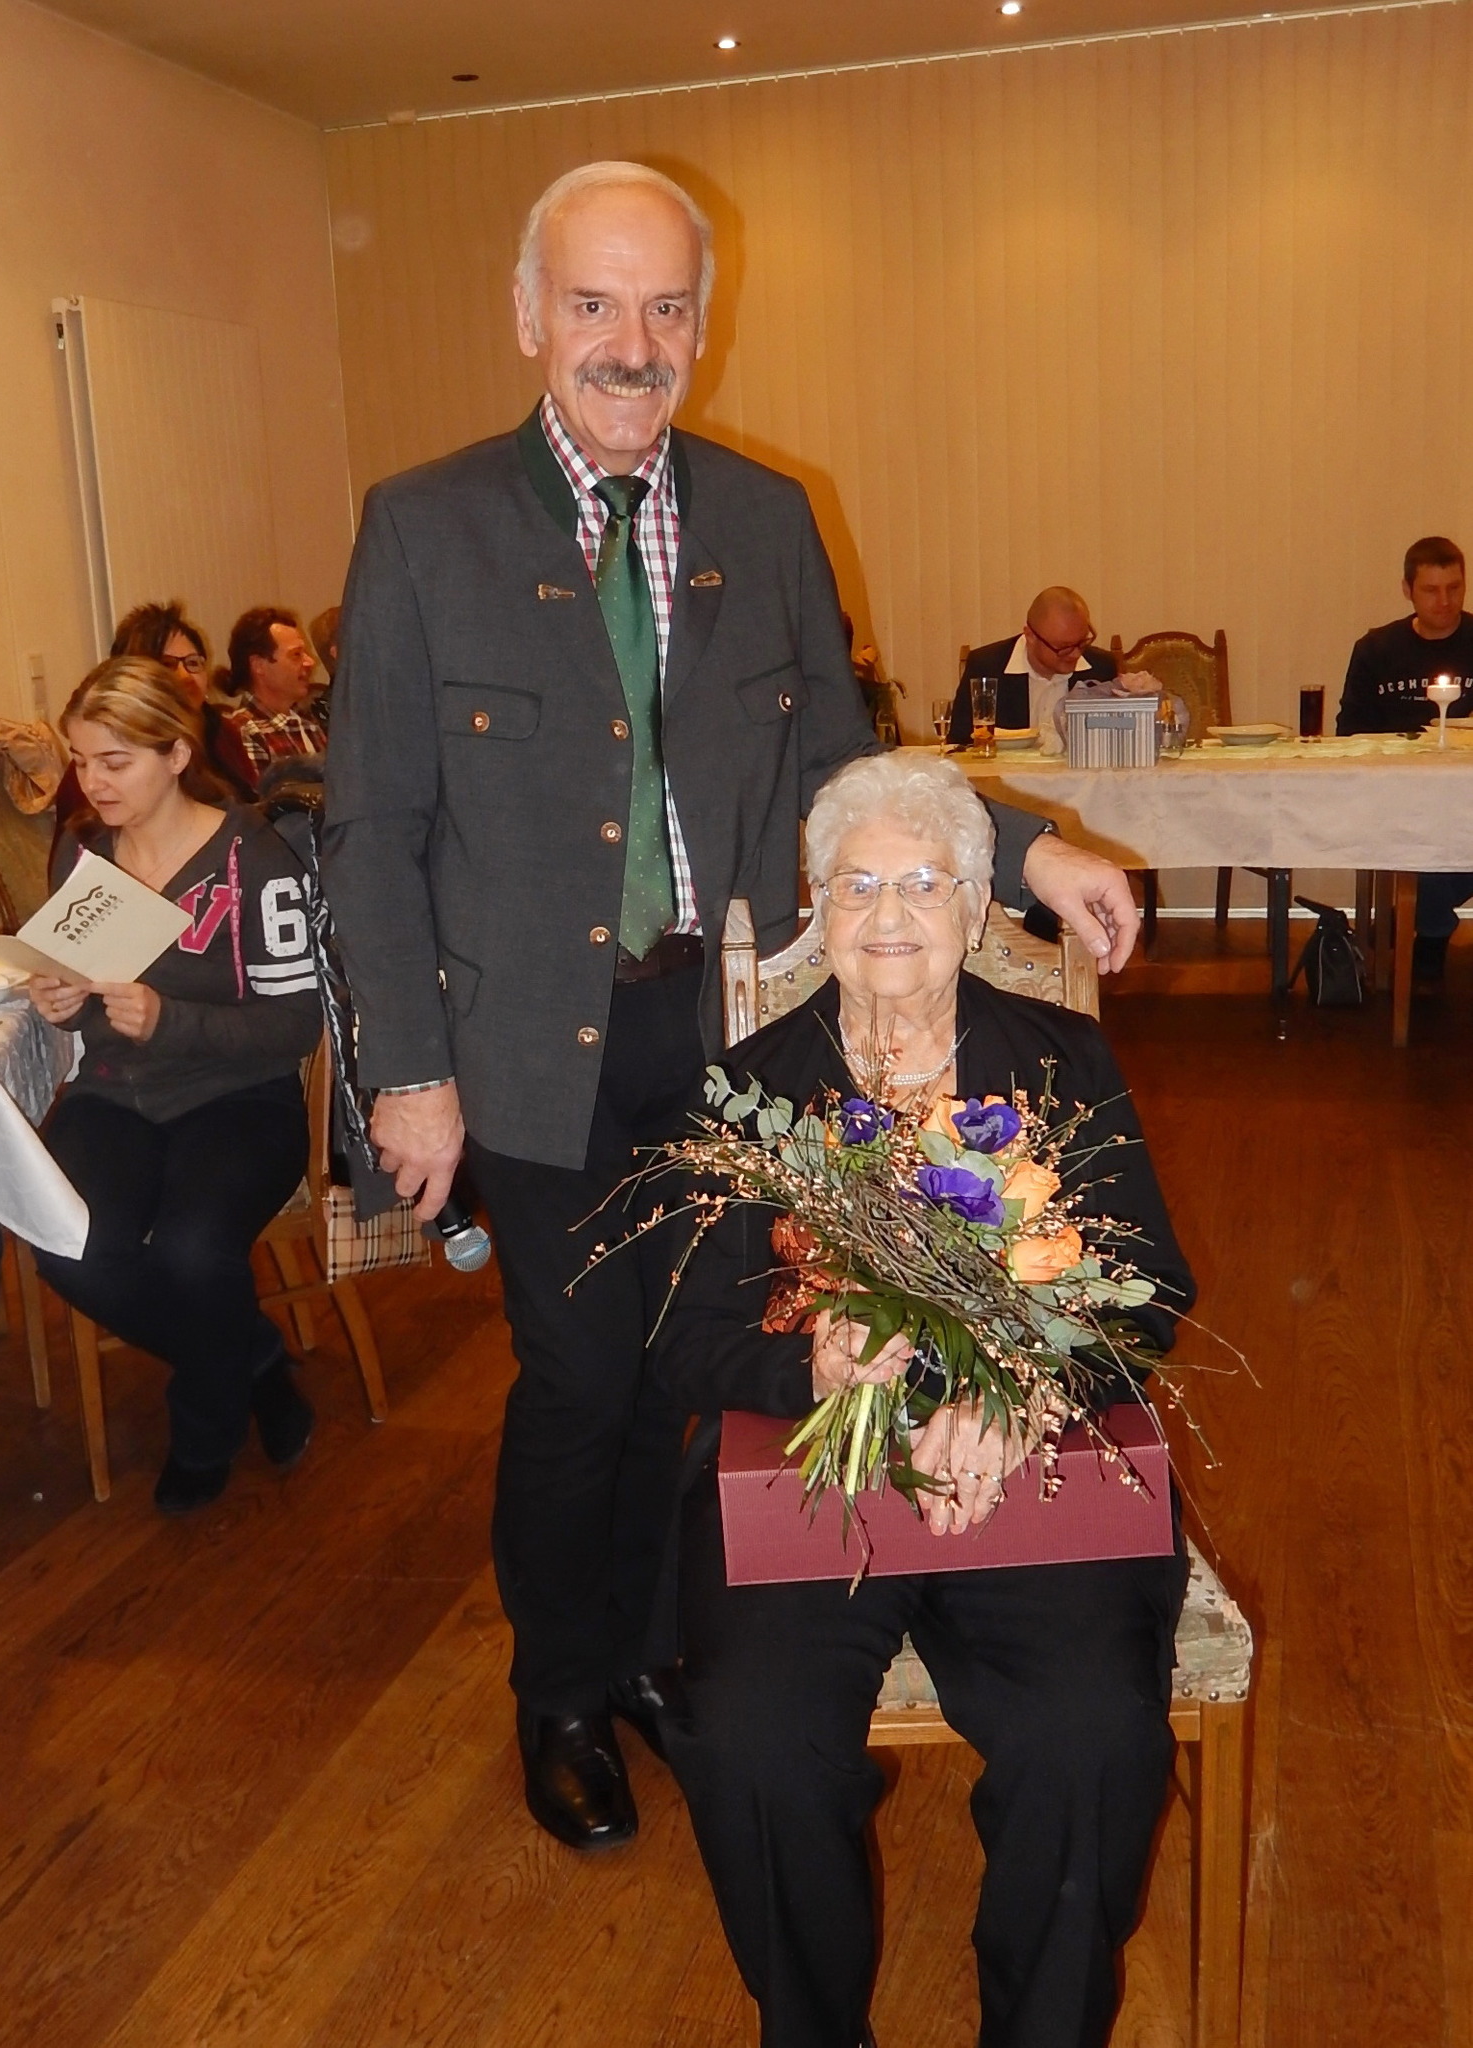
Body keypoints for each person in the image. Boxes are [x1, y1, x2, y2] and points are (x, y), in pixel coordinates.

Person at [322, 159, 1143, 1854]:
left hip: (731, 1041)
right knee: (580, 1376)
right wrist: (403, 1070)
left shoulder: (765, 515)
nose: (631, 341)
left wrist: (1032, 845)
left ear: (704, 321)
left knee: (712, 1364)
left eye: (665, 306)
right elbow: (370, 827)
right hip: (523, 1053)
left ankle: (660, 1656)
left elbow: (850, 766)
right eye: (594, 302)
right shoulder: (423, 524)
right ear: (528, 312)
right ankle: (562, 1681)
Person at [656, 751, 1194, 2048]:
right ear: (814, 907)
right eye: (854, 885)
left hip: (1019, 1469)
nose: (886, 913)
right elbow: (685, 1332)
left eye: (918, 882)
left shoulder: (1056, 1063)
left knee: (1091, 1736)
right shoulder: (748, 1088)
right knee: (746, 1739)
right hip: (816, 1478)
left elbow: (1145, 1291)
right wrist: (810, 1366)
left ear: (969, 905)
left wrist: (1016, 1388)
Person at [29, 658, 321, 1513]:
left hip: (242, 1096)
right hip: (118, 1093)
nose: (93, 781)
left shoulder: (256, 858)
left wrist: (171, 1020)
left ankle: (205, 1424)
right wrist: (65, 1004)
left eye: (115, 760)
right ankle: (253, 1359)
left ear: (177, 754)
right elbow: (88, 1008)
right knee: (66, 1240)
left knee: (194, 1250)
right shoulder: (82, 852)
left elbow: (295, 1026)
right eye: (82, 760)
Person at [1337, 535, 1473, 981]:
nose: (1445, 601)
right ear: (1407, 589)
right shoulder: (1377, 649)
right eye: (1432, 590)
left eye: (1455, 588)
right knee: (1427, 841)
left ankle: (1422, 925)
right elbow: (1348, 731)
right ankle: (1426, 930)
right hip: (1398, 795)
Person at [52, 600, 253, 834]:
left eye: (192, 663)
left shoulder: (221, 730)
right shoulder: (91, 772)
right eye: (167, 665)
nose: (184, 676)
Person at [950, 586, 1128, 749]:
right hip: (1003, 779)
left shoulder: (1101, 667)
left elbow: (1115, 741)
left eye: (1082, 643)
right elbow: (960, 743)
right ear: (1030, 636)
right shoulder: (987, 666)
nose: (1075, 654)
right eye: (1064, 647)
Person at [221, 608, 327, 785]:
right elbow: (262, 809)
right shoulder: (245, 732)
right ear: (259, 665)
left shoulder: (309, 725)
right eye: (296, 654)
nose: (310, 662)